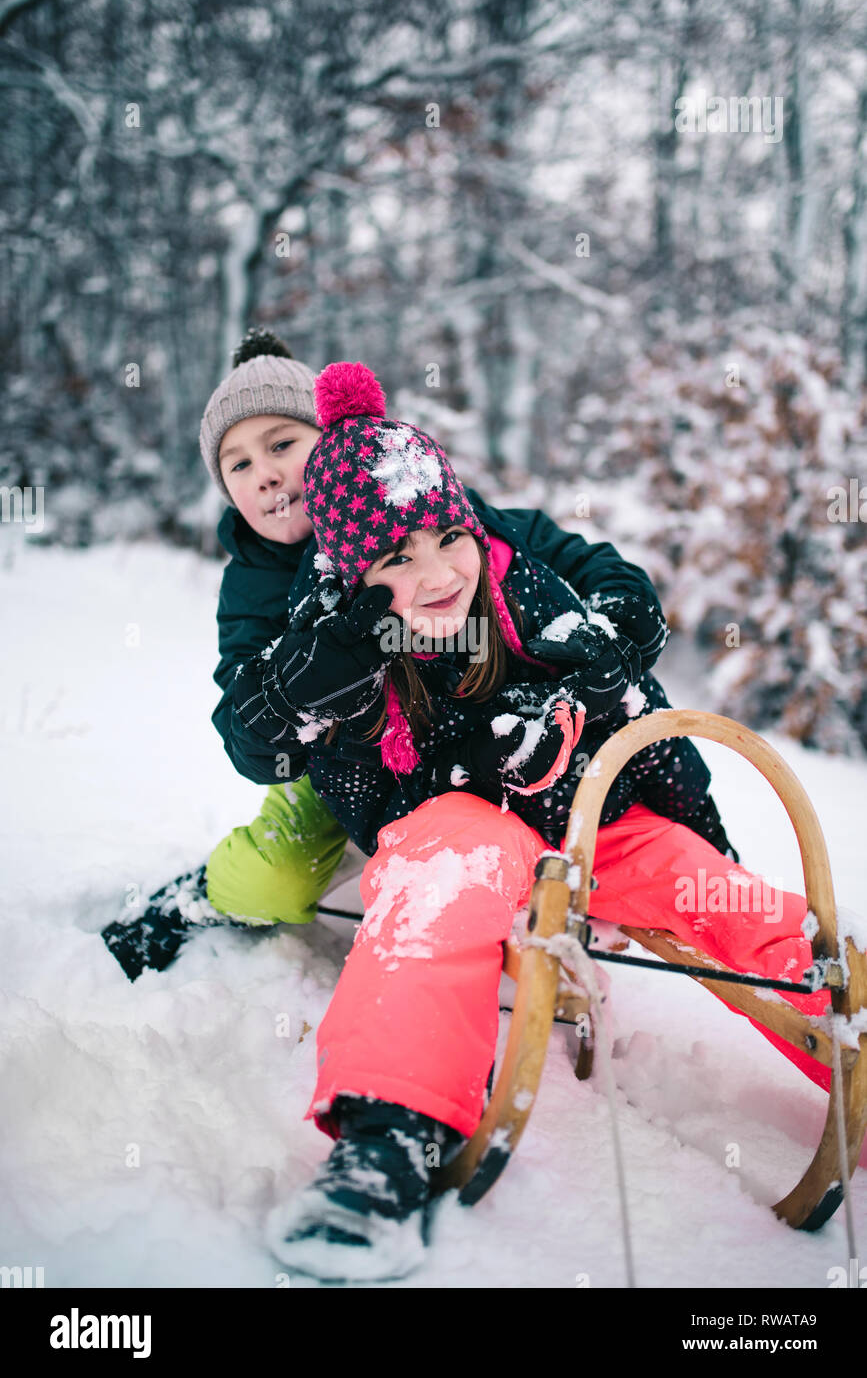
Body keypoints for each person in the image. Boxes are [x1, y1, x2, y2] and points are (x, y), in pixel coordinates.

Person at [226, 361, 834, 1283]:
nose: (433, 575)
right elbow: (320, 769)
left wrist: (599, 690)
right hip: (461, 822)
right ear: (354, 579)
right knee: (438, 891)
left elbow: (644, 730)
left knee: (710, 891)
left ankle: (843, 1026)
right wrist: (326, 701)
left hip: (595, 819)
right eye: (394, 560)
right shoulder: (347, 645)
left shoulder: (526, 584)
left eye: (444, 539)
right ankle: (388, 1135)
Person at [103, 328, 736, 978]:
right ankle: (201, 898)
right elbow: (248, 734)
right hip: (335, 758)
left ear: (330, 438)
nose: (263, 473)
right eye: (237, 464)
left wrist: (619, 620)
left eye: (281, 444)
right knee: (282, 876)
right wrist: (293, 694)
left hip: (445, 742)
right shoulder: (253, 582)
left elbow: (568, 555)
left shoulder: (422, 510)